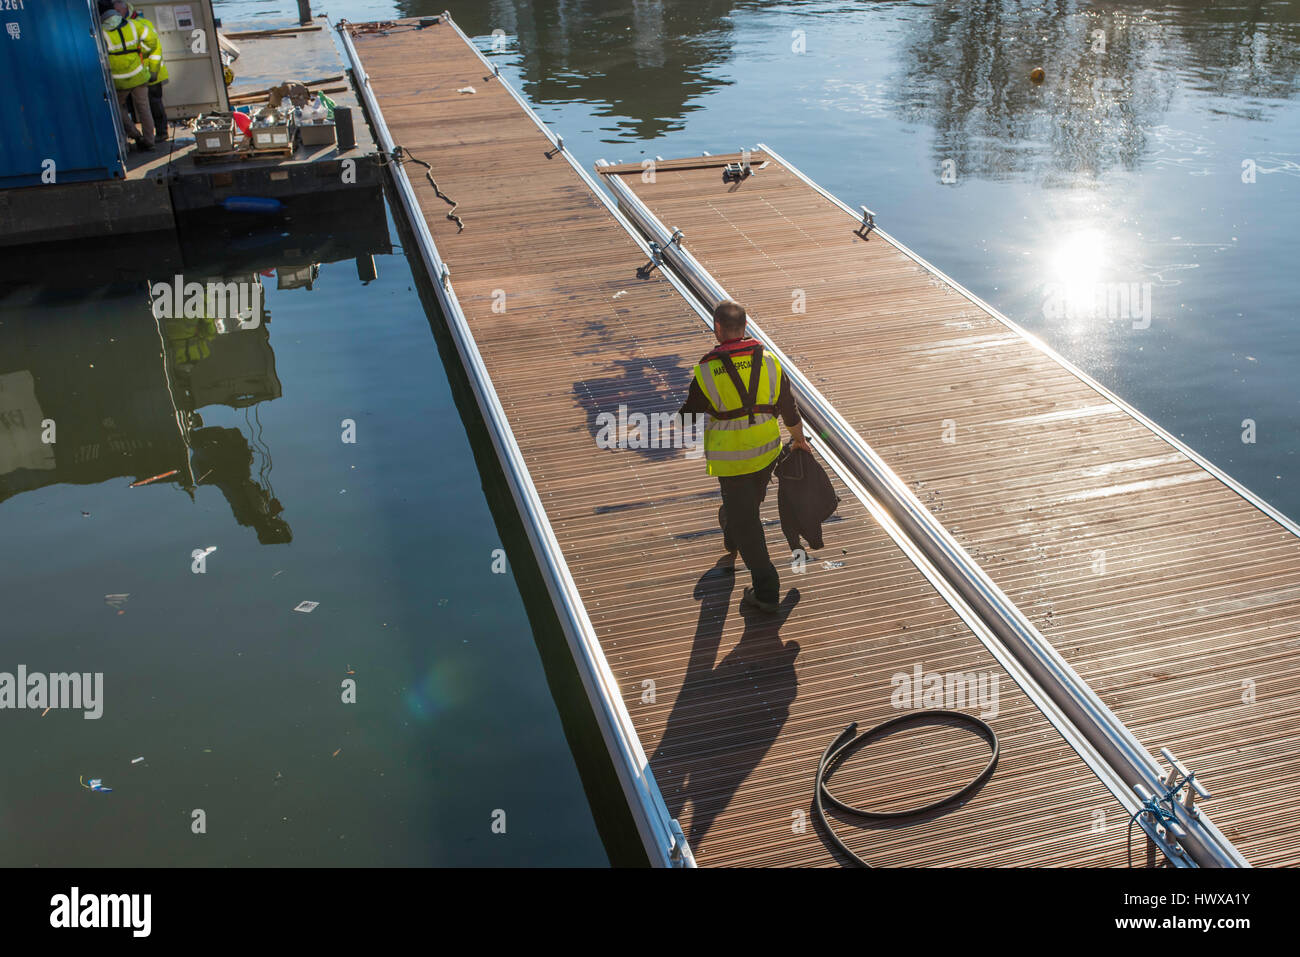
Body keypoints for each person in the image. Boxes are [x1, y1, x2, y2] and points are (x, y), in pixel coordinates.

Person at [677, 300, 811, 614]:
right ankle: (732, 529)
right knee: (746, 509)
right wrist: (800, 441)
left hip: (732, 459)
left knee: (748, 523)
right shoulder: (770, 361)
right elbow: (789, 408)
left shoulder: (708, 369)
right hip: (767, 453)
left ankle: (766, 590)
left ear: (717, 328)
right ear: (746, 328)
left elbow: (688, 415)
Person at [99, 0, 154, 150]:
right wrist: (142, 51)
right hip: (138, 74)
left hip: (119, 80)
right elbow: (152, 39)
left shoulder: (101, 31)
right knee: (144, 108)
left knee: (117, 107)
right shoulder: (132, 24)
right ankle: (149, 140)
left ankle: (134, 134)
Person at [116, 1, 169, 143]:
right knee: (144, 106)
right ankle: (149, 135)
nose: (116, 16)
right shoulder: (127, 25)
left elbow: (151, 47)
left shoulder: (140, 24)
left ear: (126, 10)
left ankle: (162, 133)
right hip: (140, 73)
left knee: (154, 103)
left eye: (118, 12)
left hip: (152, 71)